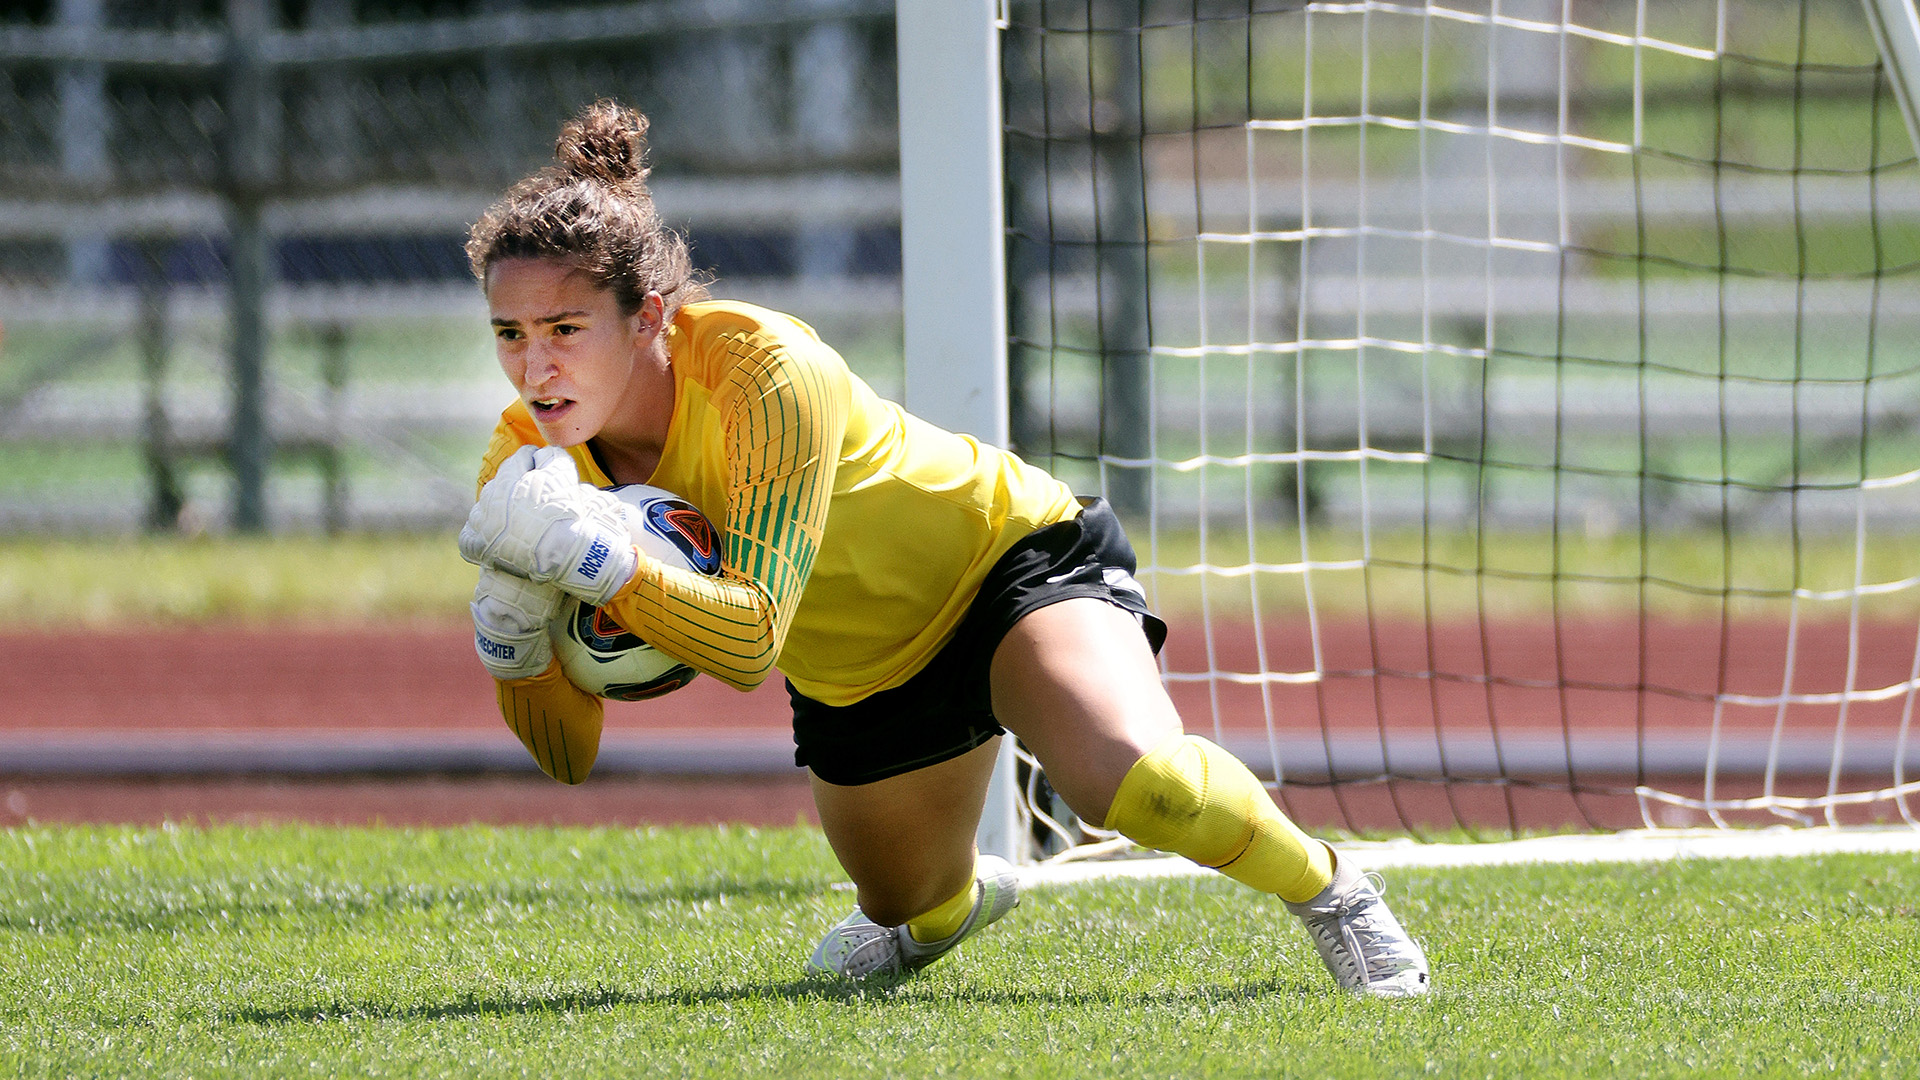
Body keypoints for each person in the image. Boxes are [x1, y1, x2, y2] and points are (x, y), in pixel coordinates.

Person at [456, 100, 1431, 997]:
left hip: (1003, 564)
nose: (535, 366)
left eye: (565, 328)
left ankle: (1333, 892)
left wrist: (600, 564)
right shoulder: (527, 462)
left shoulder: (762, 369)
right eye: (510, 333)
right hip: (859, 670)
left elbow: (748, 643)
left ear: (648, 317)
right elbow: (568, 758)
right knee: (906, 902)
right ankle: (958, 899)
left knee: (1137, 781)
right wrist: (512, 638)